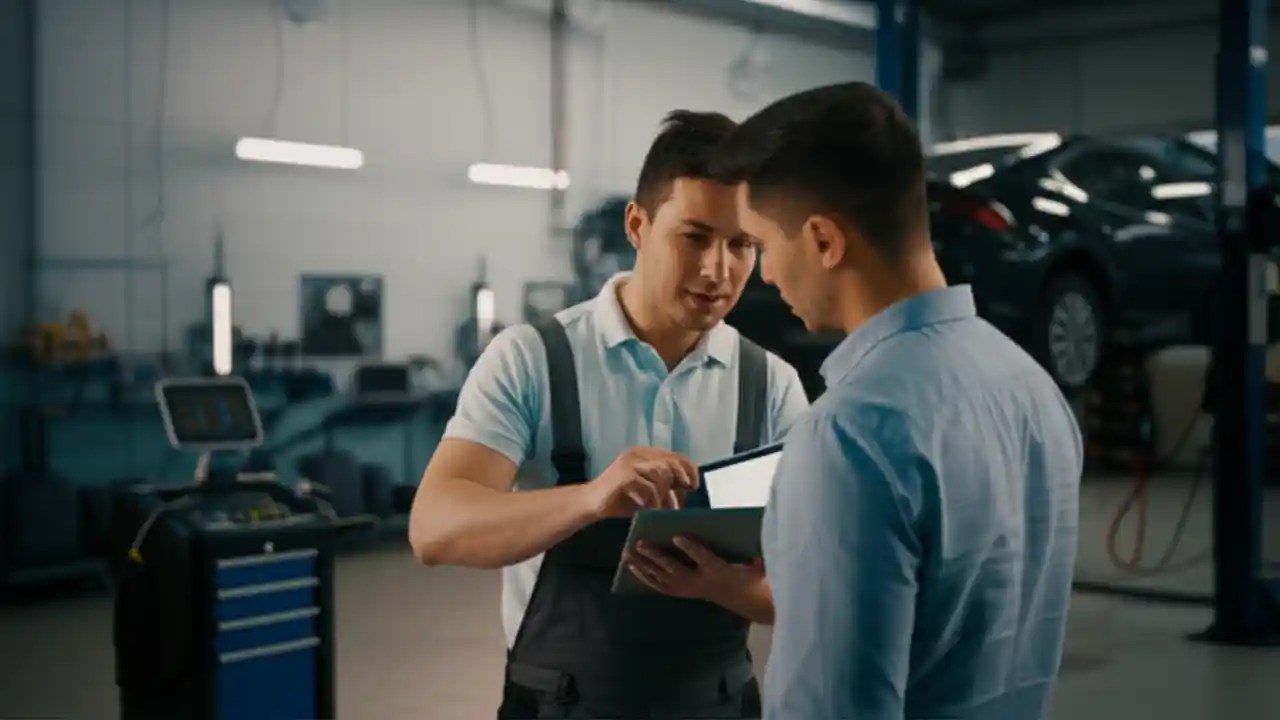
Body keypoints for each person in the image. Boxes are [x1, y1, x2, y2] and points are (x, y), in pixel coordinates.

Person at [409, 110, 810, 719]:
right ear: (637, 225)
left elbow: (816, 582)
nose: (717, 270)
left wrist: (723, 586)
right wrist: (591, 499)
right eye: (694, 236)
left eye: (741, 245)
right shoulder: (533, 360)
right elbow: (435, 530)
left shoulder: (773, 387)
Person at [711, 82, 1084, 720]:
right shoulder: (1032, 388)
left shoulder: (849, 433)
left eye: (763, 246)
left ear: (825, 241)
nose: (764, 276)